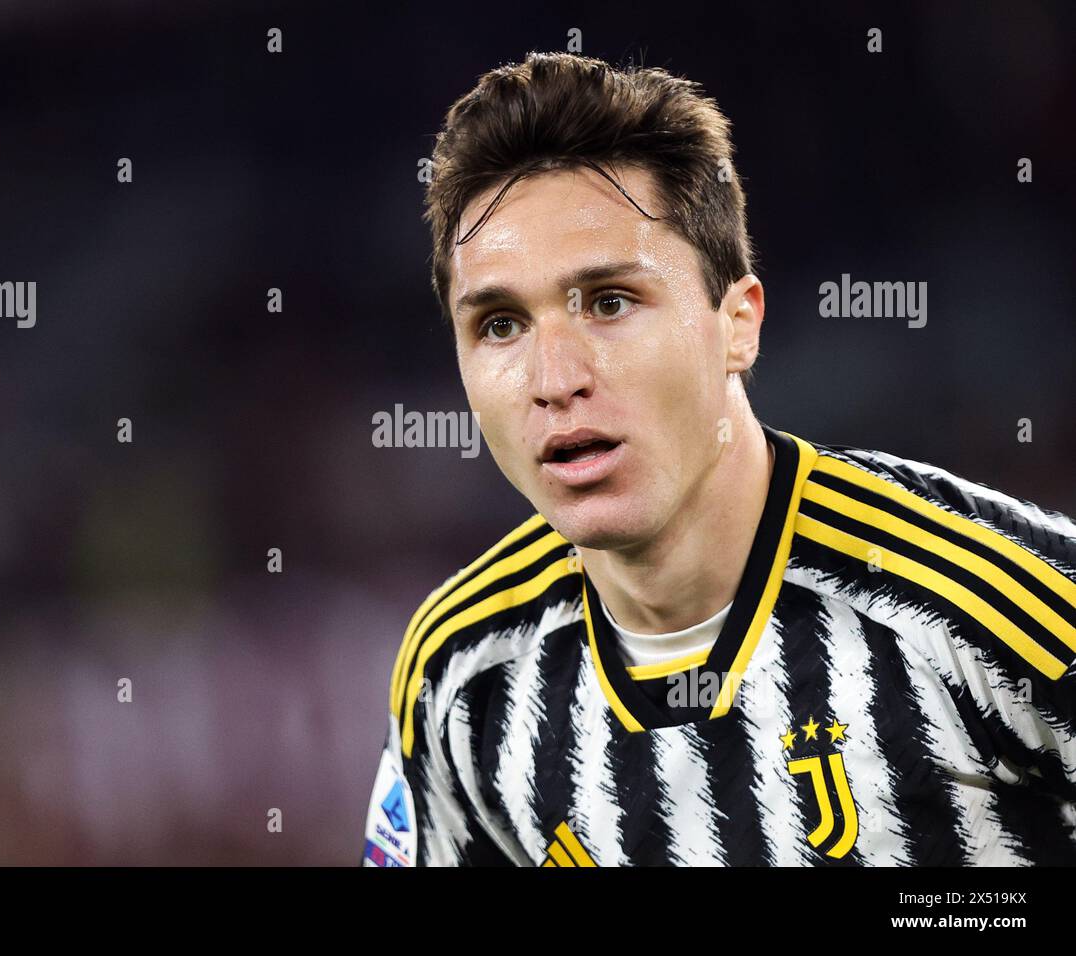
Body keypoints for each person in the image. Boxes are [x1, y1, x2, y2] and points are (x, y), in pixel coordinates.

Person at [360, 51, 1076, 866]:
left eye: (610, 302)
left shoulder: (995, 607)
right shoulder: (463, 674)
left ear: (738, 323)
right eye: (499, 325)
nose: (554, 381)